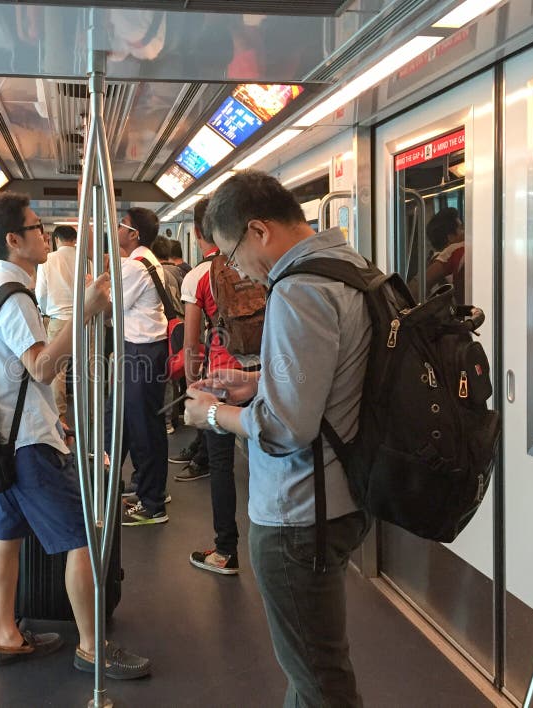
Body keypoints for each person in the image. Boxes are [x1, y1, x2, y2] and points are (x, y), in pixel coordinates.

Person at [184, 171, 372, 706]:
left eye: (232, 253)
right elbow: (333, 378)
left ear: (259, 230)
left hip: (299, 510)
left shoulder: (298, 289)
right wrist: (258, 382)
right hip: (343, 493)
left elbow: (288, 428)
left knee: (317, 679)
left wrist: (215, 414)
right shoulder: (353, 269)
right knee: (314, 666)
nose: (235, 268)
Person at [0, 193, 150, 677]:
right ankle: (92, 648)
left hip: (3, 436)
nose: (43, 236)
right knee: (81, 537)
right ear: (13, 240)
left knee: (6, 536)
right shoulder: (14, 298)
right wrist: (86, 311)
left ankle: (4, 635)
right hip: (27, 441)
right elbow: (40, 367)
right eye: (34, 229)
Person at [177, 195, 241, 575]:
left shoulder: (198, 276)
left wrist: (192, 382)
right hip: (263, 375)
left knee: (221, 465)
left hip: (219, 379)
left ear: (198, 232)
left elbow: (191, 342)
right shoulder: (254, 266)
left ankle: (225, 551)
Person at [105, 207, 170, 526]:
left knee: (143, 428)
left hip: (141, 351)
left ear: (134, 234)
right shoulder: (144, 260)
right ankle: (148, 486)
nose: (115, 230)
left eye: (120, 225)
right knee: (142, 424)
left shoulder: (134, 266)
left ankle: (152, 502)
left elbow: (110, 306)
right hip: (148, 349)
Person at [35, 225, 80, 436]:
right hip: (84, 319)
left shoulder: (48, 260)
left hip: (58, 320)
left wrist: (45, 311)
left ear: (56, 239)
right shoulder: (87, 259)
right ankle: (87, 413)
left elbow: (41, 293)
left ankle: (60, 416)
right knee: (87, 368)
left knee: (57, 371)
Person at [150, 235, 184, 435]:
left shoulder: (156, 273)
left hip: (164, 328)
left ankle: (165, 420)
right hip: (179, 326)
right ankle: (171, 418)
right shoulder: (178, 273)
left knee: (165, 375)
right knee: (173, 374)